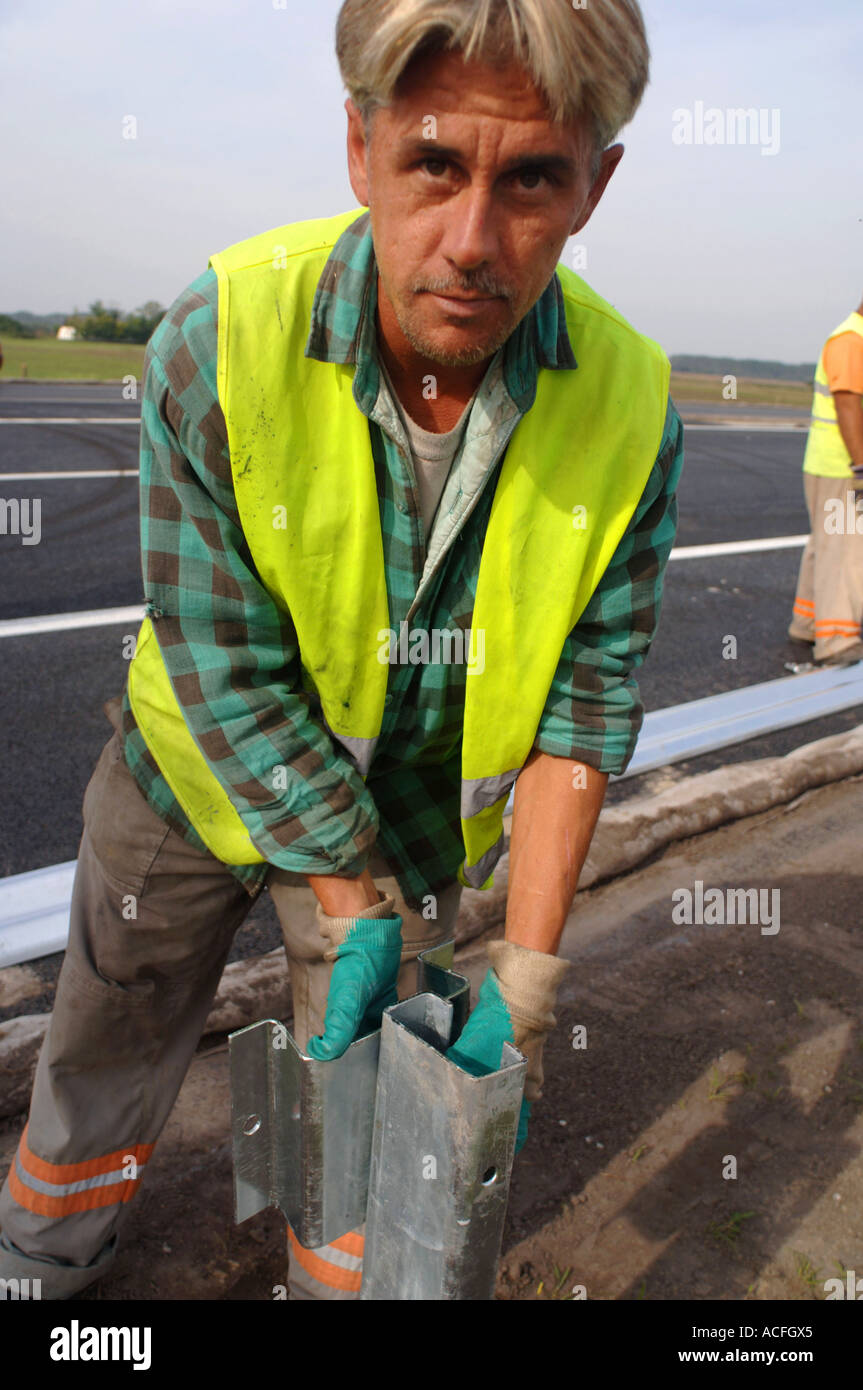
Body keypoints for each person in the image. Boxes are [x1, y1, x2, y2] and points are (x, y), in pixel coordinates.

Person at [0, 0, 683, 1301]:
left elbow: (585, 709)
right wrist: (347, 892)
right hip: (186, 786)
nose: (471, 242)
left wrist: (526, 979)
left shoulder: (633, 404)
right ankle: (41, 1259)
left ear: (594, 184)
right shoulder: (220, 336)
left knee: (371, 1124)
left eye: (531, 177)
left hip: (410, 825)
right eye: (432, 165)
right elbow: (227, 662)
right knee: (104, 1037)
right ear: (361, 147)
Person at [789, 295, 863, 665]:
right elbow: (848, 405)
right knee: (844, 552)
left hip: (829, 463)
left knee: (824, 544)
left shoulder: (848, 338)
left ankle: (807, 622)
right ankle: (837, 640)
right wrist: (861, 467)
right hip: (842, 467)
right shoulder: (852, 341)